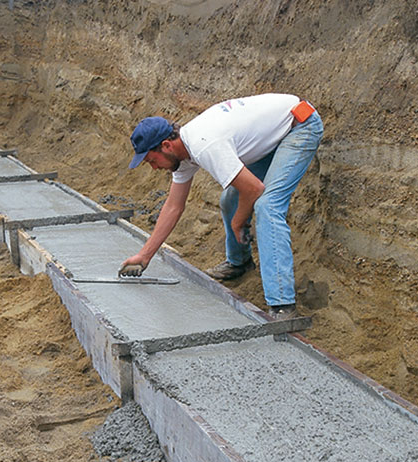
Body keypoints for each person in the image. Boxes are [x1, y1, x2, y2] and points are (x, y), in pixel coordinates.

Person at [120, 93, 323, 318]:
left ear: (166, 145)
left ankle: (283, 304)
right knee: (230, 199)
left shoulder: (204, 145)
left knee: (267, 206)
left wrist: (239, 221)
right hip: (275, 132)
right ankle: (240, 262)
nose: (154, 168)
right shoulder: (183, 153)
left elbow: (255, 189)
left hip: (300, 125)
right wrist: (145, 255)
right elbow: (173, 207)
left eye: (151, 161)